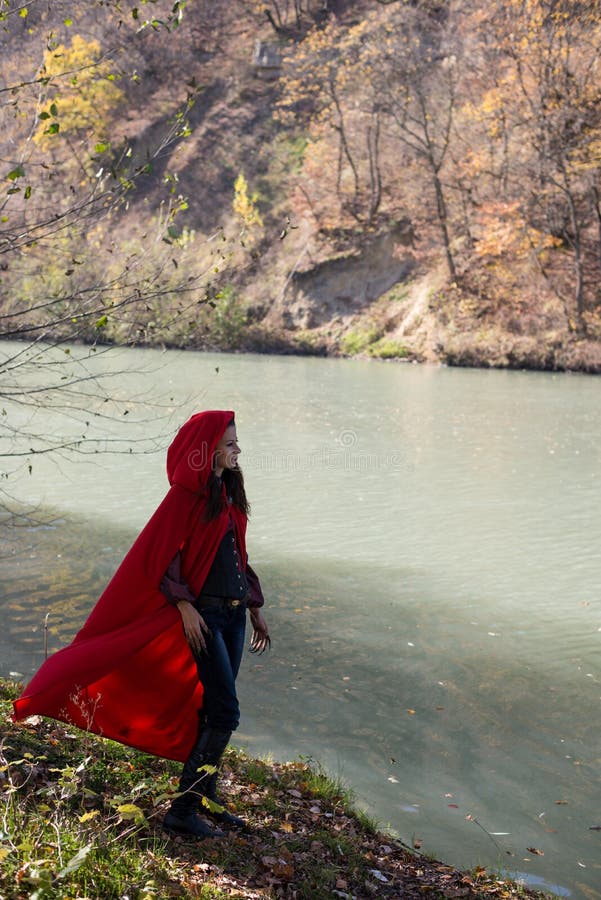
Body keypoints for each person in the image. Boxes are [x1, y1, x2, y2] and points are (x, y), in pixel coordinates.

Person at [13, 410, 270, 840]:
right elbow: (160, 557)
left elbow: (235, 555)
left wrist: (254, 606)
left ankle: (205, 795)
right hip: (204, 617)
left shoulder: (226, 491)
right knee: (226, 711)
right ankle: (183, 810)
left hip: (232, 615)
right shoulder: (184, 499)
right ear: (206, 451)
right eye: (229, 444)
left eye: (236, 442)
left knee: (212, 709)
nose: (237, 450)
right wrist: (185, 606)